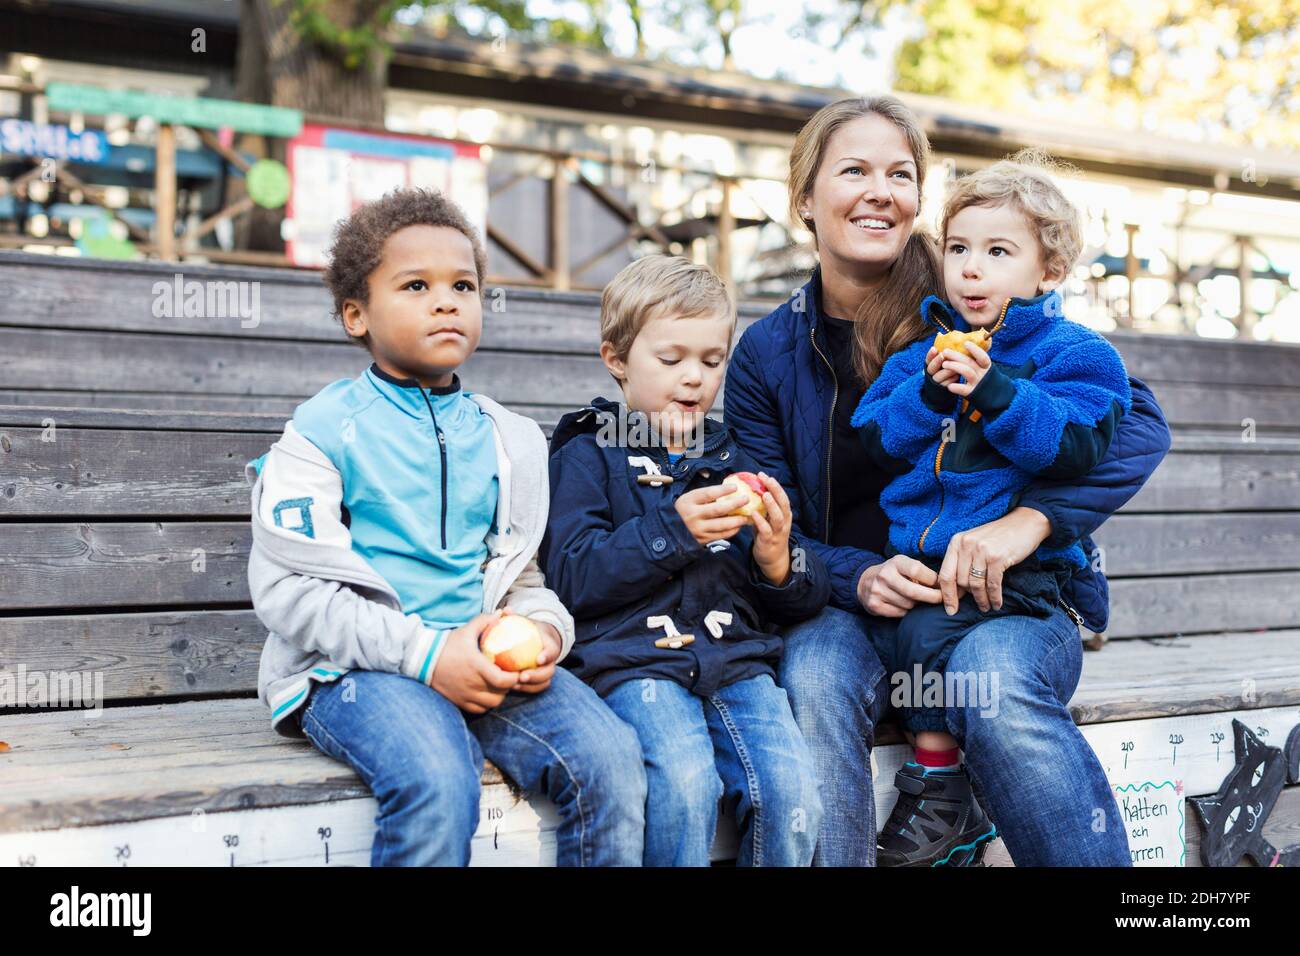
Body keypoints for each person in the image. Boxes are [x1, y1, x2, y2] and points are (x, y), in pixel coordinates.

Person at [724, 96, 1172, 866]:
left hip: (1000, 593)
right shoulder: (767, 354)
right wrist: (854, 576)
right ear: (804, 197)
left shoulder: (976, 287)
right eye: (854, 170)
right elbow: (764, 523)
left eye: (900, 174)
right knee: (816, 674)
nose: (880, 191)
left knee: (991, 681)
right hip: (854, 601)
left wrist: (1028, 523)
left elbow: (1135, 424)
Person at [245, 188, 646, 866]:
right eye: (415, 285)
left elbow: (521, 577)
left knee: (612, 762)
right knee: (436, 775)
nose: (446, 300)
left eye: (463, 285)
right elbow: (291, 595)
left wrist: (546, 631)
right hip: (354, 670)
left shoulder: (508, 438)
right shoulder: (320, 434)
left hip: (483, 662)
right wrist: (428, 659)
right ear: (356, 315)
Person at [851, 150, 1132, 865]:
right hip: (926, 581)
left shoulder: (1078, 354)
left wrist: (997, 392)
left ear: (1050, 272)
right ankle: (942, 788)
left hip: (1029, 597)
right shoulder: (919, 357)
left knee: (990, 678)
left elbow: (1074, 447)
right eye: (958, 249)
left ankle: (942, 787)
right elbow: (875, 441)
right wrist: (934, 395)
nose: (971, 268)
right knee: (918, 639)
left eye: (998, 252)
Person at [541, 255, 827, 866]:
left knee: (792, 795)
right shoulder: (587, 455)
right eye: (670, 360)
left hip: (740, 665)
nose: (694, 378)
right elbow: (571, 579)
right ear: (616, 358)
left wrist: (779, 561)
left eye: (711, 360)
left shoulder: (737, 460)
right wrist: (672, 530)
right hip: (633, 665)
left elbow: (800, 595)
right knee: (684, 786)